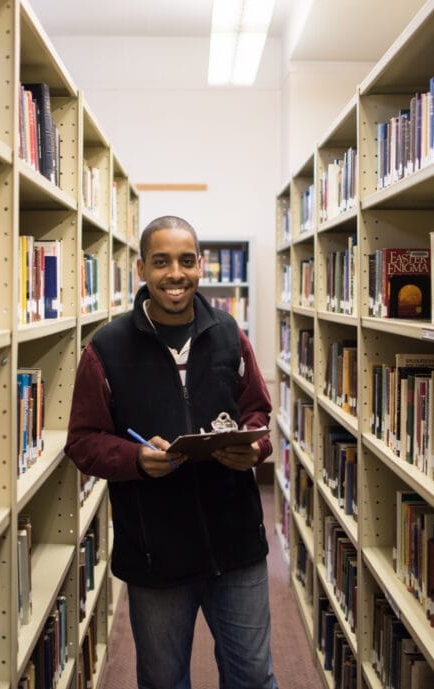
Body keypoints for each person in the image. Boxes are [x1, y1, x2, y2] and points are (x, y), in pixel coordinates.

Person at [65, 215, 278, 689]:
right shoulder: (106, 347)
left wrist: (255, 447)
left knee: (254, 678)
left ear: (201, 265)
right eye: (161, 262)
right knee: (163, 683)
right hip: (155, 551)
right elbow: (82, 441)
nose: (175, 274)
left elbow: (257, 414)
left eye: (186, 261)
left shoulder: (229, 333)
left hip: (236, 542)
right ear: (141, 268)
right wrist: (136, 460)